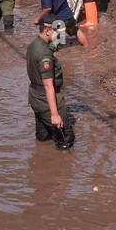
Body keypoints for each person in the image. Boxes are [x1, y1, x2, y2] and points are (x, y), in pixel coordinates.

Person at [26, 21, 74, 150]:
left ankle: (42, 160)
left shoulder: (33, 44)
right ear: (47, 31)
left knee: (43, 137)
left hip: (35, 98)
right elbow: (48, 86)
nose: (59, 36)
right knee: (66, 139)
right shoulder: (44, 55)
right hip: (46, 100)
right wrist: (55, 114)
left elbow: (55, 46)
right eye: (57, 33)